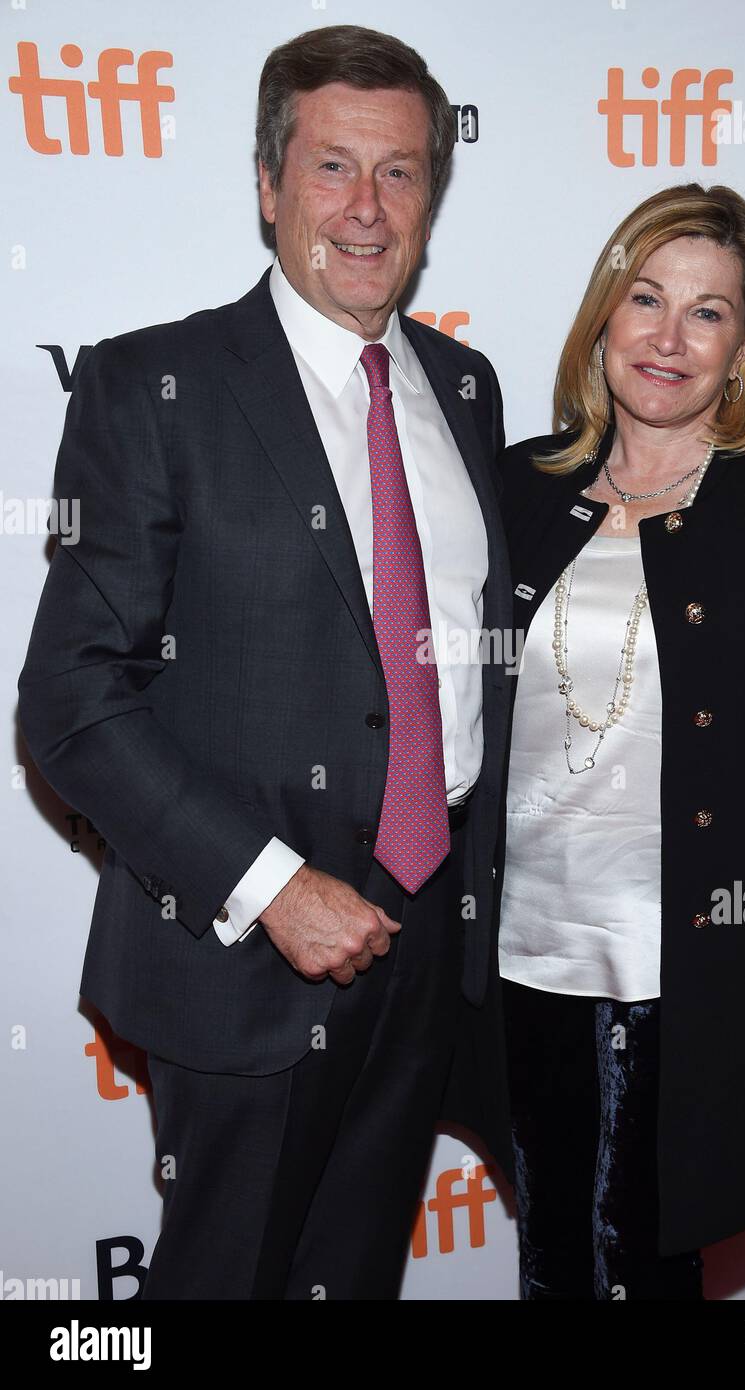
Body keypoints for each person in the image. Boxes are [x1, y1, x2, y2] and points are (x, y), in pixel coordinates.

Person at [17, 25, 514, 1300]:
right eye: (333, 167)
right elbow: (69, 699)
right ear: (267, 183)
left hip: (424, 948)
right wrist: (275, 886)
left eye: (399, 173)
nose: (365, 208)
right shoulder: (153, 383)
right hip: (239, 953)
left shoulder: (464, 386)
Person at [495, 183, 745, 1300]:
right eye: (645, 299)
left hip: (692, 965)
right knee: (553, 1267)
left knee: (642, 1265)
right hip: (517, 960)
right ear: (603, 316)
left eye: (709, 312)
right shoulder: (514, 488)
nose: (668, 338)